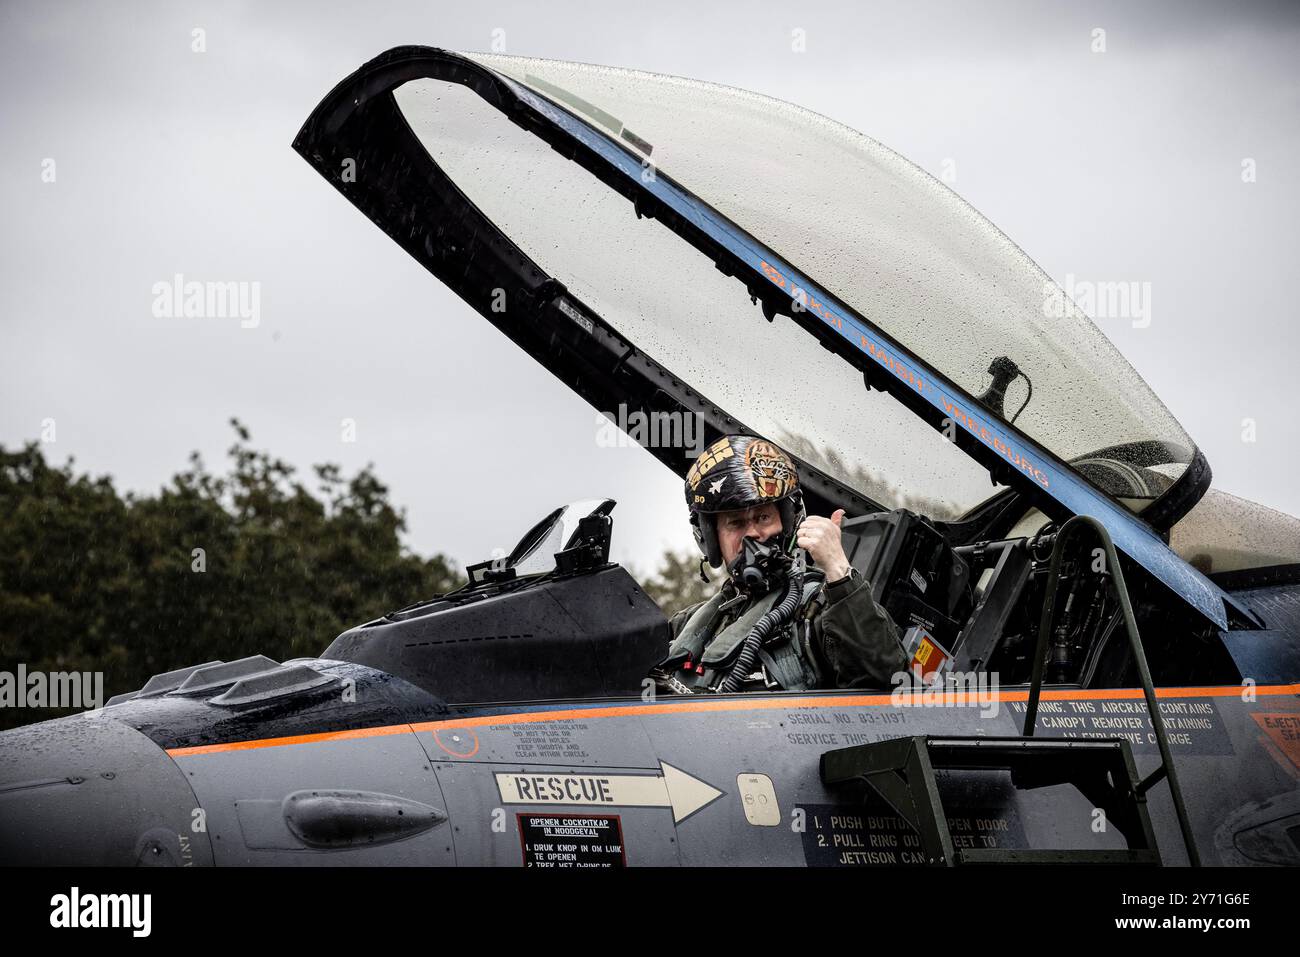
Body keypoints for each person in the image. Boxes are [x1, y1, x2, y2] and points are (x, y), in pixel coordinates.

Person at [650, 435, 908, 695]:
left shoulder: (820, 612)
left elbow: (885, 682)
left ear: (787, 522)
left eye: (763, 517)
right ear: (711, 538)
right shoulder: (685, 625)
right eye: (735, 523)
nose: (752, 533)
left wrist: (839, 570)